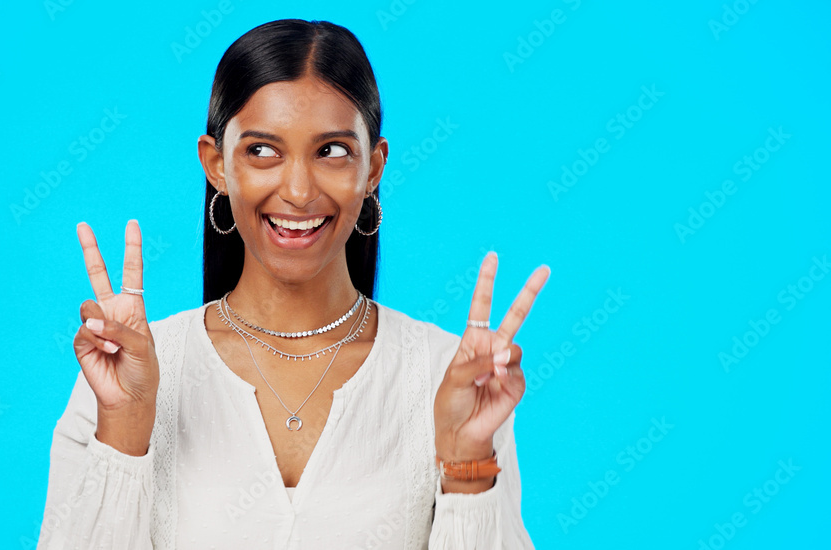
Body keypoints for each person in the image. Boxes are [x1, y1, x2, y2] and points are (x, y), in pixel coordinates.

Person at [37, 18, 549, 549]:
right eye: (262, 150)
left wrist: (467, 466)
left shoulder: (450, 378)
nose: (299, 191)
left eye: (332, 151)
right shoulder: (130, 375)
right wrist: (124, 429)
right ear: (216, 164)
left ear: (373, 169)